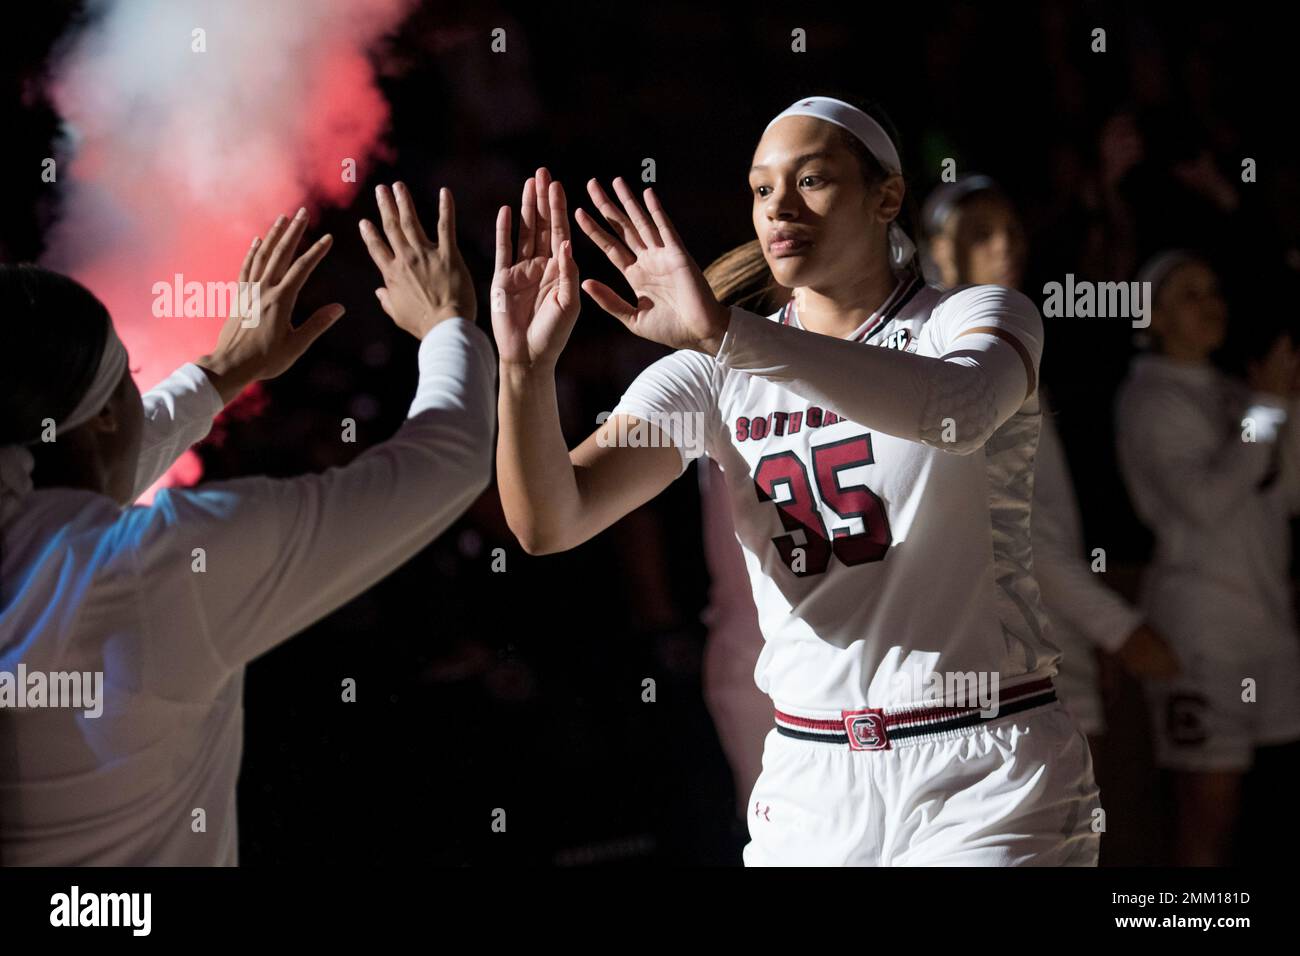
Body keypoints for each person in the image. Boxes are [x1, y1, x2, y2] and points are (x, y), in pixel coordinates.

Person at [492, 94, 1099, 866]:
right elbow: (551, 522)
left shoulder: (974, 314)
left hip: (982, 763)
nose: (779, 206)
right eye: (761, 188)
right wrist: (524, 370)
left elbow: (961, 412)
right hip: (811, 776)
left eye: (811, 180)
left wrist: (726, 333)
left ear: (887, 197)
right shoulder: (712, 374)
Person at [0, 184, 495, 864]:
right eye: (132, 378)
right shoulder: (156, 565)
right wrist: (448, 324)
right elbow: (446, 464)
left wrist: (217, 377)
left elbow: (53, 474)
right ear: (107, 415)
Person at [922, 175, 1178, 742]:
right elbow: (1012, 524)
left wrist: (1091, 631)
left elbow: (1048, 506)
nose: (1006, 246)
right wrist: (1118, 629)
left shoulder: (1006, 343)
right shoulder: (947, 363)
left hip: (1051, 626)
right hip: (1011, 642)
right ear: (935, 248)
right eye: (981, 233)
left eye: (1012, 230)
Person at [1115, 250, 1300, 865]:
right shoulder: (1149, 398)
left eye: (1212, 288)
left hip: (1267, 625)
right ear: (1153, 315)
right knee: (1206, 811)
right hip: (1201, 634)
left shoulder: (1234, 390)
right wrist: (1268, 407)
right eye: (1189, 293)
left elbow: (1288, 493)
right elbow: (1205, 504)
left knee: (1267, 808)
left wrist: (1287, 407)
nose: (1209, 302)